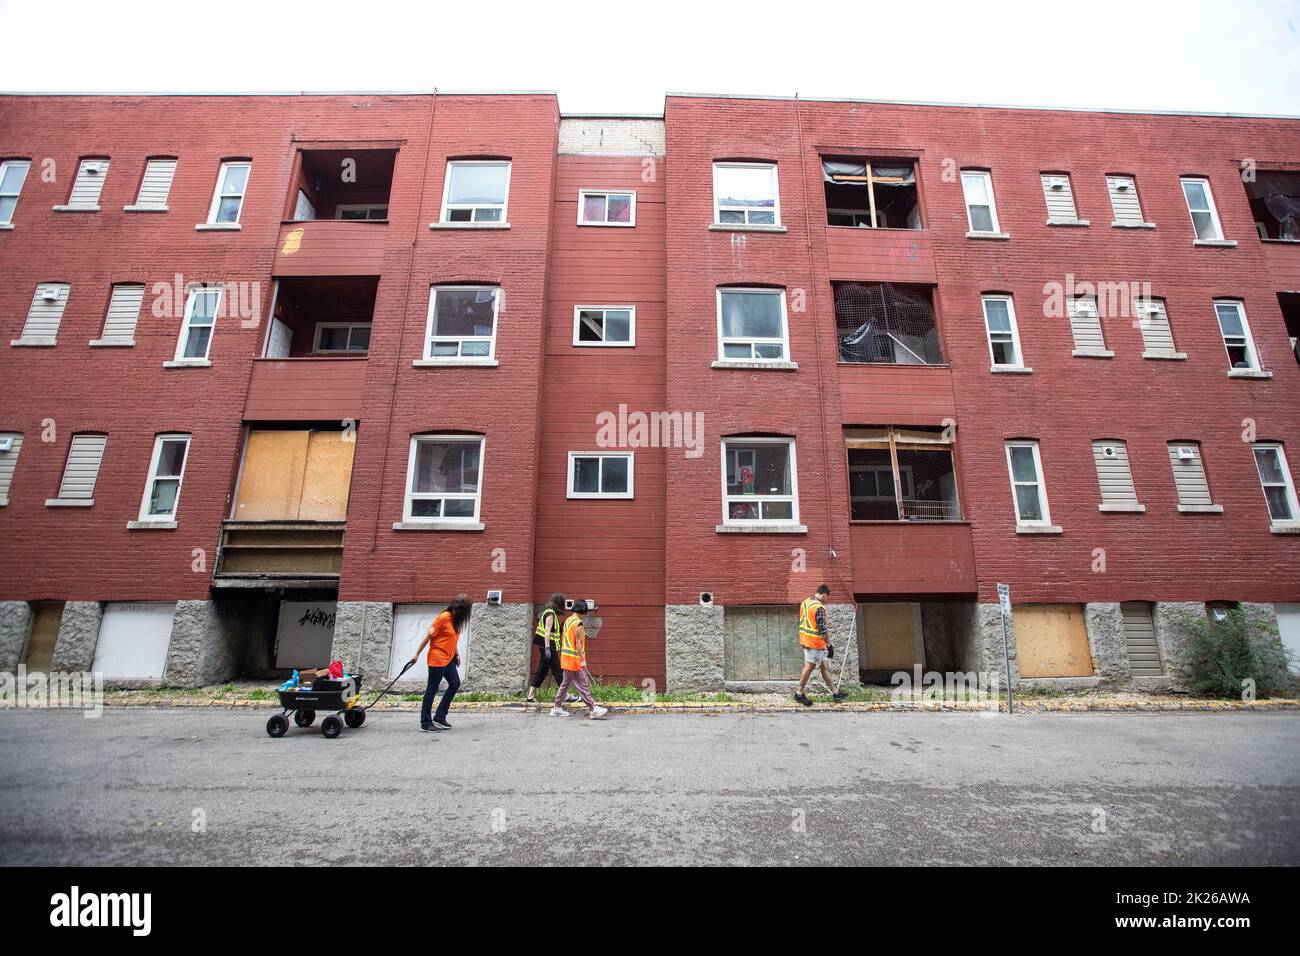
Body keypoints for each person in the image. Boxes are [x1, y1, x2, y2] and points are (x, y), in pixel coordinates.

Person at [409, 594, 471, 732]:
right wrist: (416, 654)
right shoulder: (444, 617)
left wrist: (456, 653)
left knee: (455, 683)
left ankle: (439, 717)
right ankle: (425, 722)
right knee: (432, 690)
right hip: (437, 658)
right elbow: (429, 635)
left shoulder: (456, 620)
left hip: (449, 659)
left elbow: (452, 638)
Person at [550, 600, 607, 719]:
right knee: (582, 684)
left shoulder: (567, 621)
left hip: (565, 658)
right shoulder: (578, 624)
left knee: (565, 684)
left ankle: (556, 708)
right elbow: (578, 644)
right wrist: (582, 661)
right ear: (583, 611)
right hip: (574, 661)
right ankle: (593, 709)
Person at [794, 584, 847, 707]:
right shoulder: (819, 607)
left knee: (824, 667)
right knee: (809, 668)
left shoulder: (806, 602)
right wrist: (829, 645)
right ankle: (799, 693)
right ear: (824, 594)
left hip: (807, 640)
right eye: (827, 597)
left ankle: (836, 693)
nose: (826, 600)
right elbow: (822, 629)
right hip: (814, 643)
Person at [525, 593, 577, 704]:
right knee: (558, 671)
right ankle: (566, 696)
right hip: (548, 648)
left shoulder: (550, 613)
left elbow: (552, 632)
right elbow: (547, 632)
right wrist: (548, 649)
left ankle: (530, 696)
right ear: (558, 604)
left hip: (547, 648)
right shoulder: (550, 614)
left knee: (541, 672)